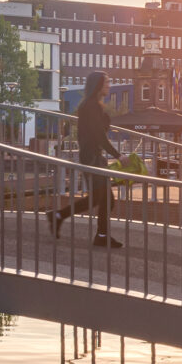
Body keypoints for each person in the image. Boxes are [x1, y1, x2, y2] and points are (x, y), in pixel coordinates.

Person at [47, 74, 116, 246]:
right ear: (98, 84)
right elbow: (98, 135)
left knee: (101, 198)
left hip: (93, 156)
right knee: (105, 198)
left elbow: (96, 131)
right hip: (92, 158)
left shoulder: (92, 105)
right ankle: (100, 235)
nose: (109, 85)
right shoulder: (91, 106)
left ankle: (60, 216)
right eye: (107, 82)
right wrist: (118, 155)